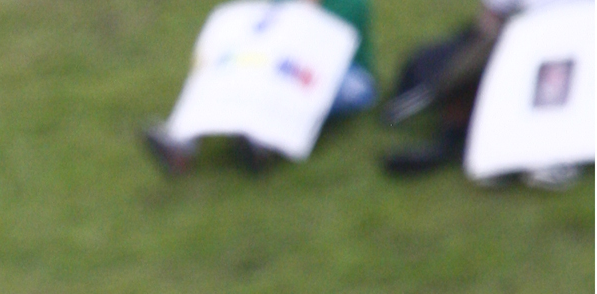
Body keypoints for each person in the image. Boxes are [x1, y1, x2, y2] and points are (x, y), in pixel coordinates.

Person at [143, 0, 378, 175]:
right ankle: (182, 140)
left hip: (350, 76)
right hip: (292, 63)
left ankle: (262, 143)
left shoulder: (349, 3)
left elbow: (324, 46)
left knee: (298, 87)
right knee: (231, 67)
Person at [379, 0, 556, 178]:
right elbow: (490, 18)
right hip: (514, 50)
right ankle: (452, 134)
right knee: (470, 56)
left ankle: (451, 138)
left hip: (553, 60)